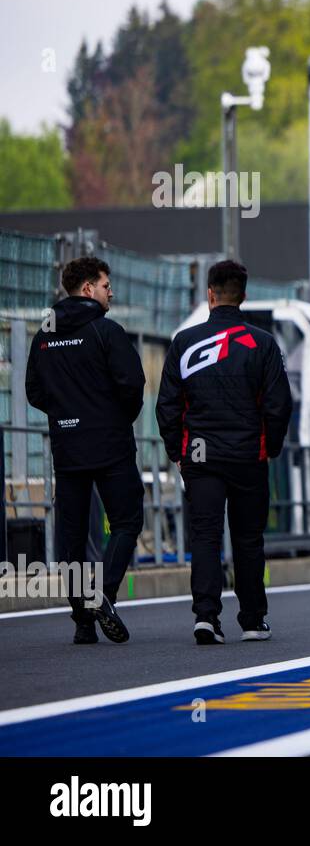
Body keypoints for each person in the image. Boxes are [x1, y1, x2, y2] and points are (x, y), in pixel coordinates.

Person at [155, 260, 292, 645]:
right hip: (249, 454)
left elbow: (167, 405)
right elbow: (279, 404)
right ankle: (252, 619)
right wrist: (272, 446)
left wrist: (176, 451)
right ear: (244, 296)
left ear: (210, 294)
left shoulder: (183, 342)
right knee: (248, 538)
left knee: (205, 535)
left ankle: (205, 617)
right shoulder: (262, 343)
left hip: (200, 455)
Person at [25, 256, 144, 645]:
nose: (111, 292)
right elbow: (132, 383)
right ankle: (105, 594)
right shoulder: (106, 331)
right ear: (88, 288)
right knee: (126, 521)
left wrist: (66, 414)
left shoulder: (44, 334)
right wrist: (115, 417)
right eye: (106, 285)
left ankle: (81, 622)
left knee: (72, 537)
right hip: (110, 443)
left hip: (68, 445)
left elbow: (34, 392)